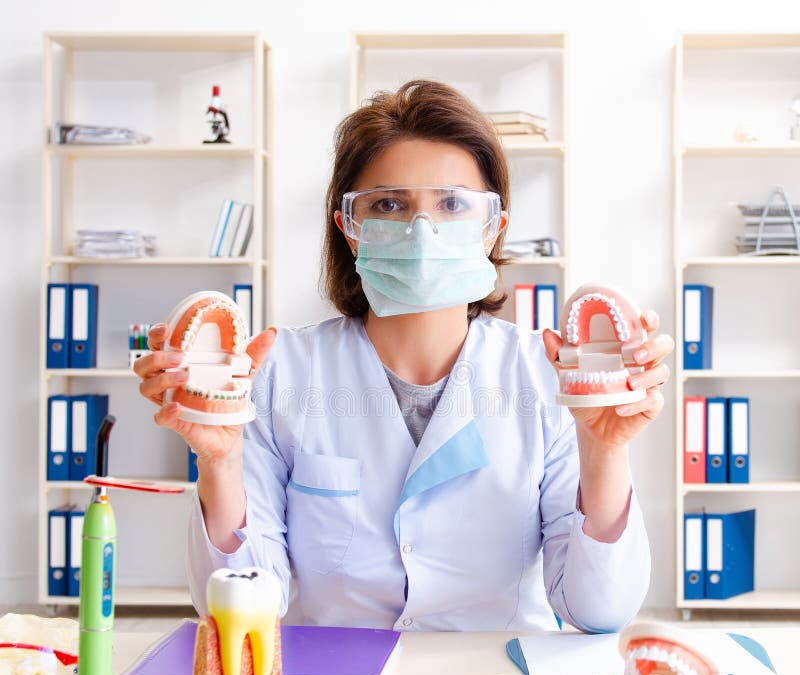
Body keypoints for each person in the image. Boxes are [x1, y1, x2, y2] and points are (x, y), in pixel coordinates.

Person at [135, 80, 674, 633]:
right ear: (349, 227)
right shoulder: (281, 373)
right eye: (390, 204)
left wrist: (603, 449)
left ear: (492, 228)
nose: (423, 229)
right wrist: (219, 459)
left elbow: (598, 611)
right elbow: (236, 612)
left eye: (452, 204)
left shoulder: (546, 376)